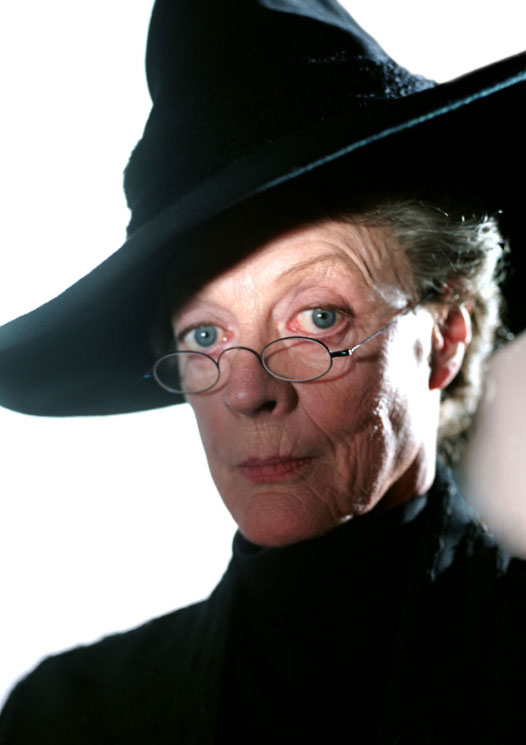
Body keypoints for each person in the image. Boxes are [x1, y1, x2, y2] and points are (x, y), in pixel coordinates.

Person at [0, 1, 525, 743]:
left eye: (318, 317)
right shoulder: (70, 720)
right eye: (205, 334)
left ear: (444, 340)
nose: (248, 391)